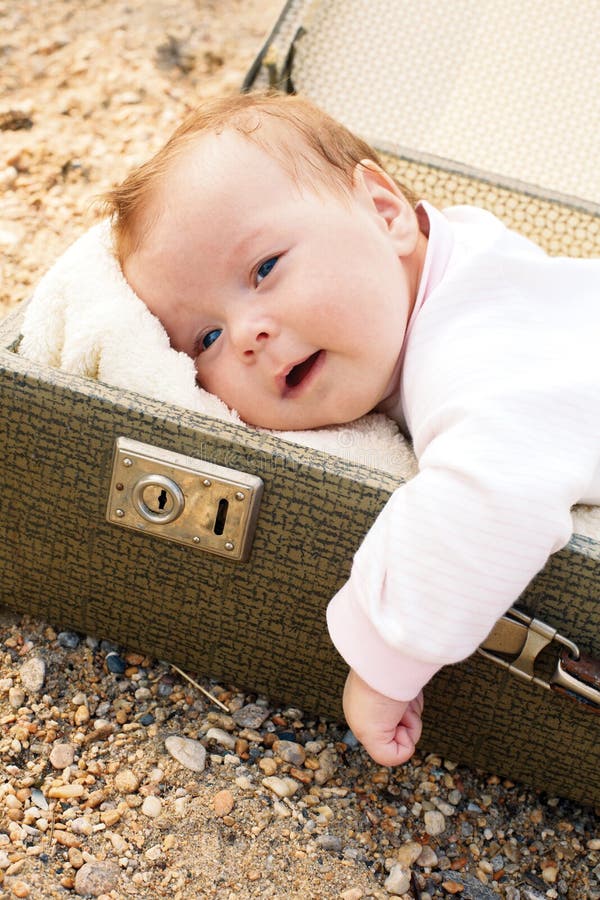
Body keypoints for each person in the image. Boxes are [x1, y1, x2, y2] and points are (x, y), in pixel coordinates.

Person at [102, 92, 600, 768]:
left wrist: (381, 661)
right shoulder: (451, 259)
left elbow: (495, 491)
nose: (246, 335)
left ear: (386, 212)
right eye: (206, 338)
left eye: (265, 268)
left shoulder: (478, 343)